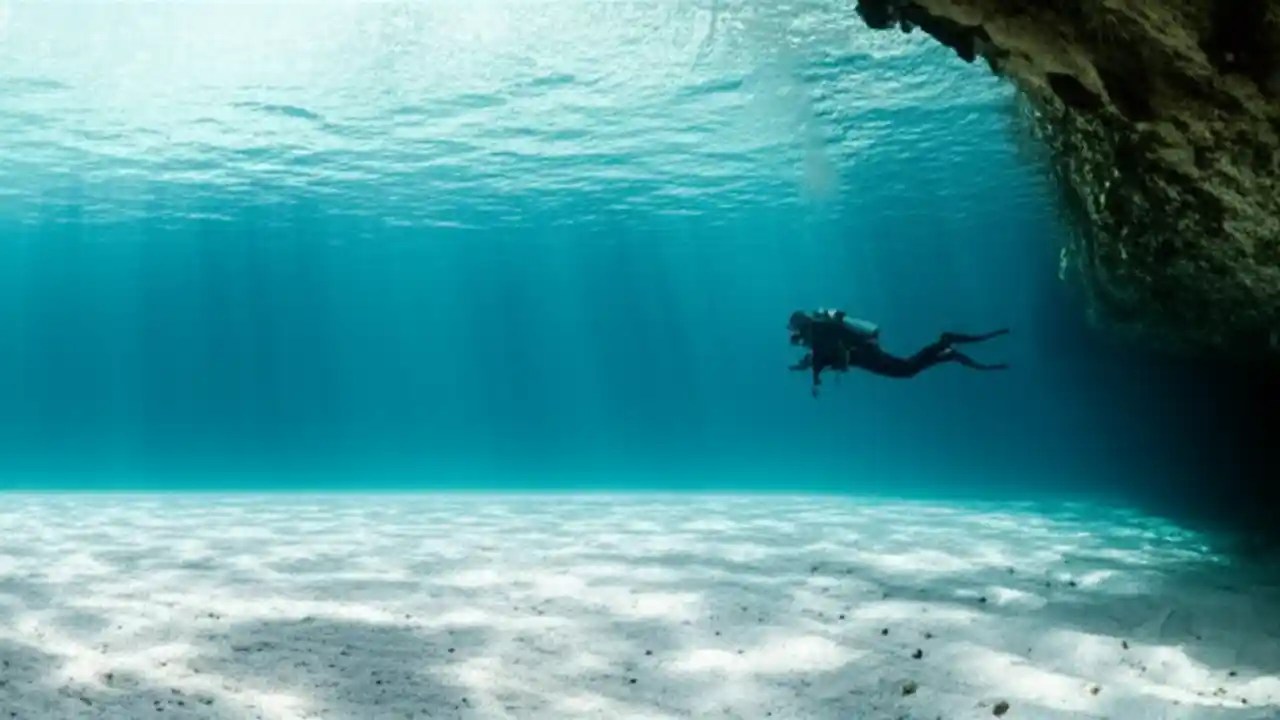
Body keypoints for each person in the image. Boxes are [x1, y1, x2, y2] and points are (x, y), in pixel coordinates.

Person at [788, 308, 1008, 395]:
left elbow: (819, 356)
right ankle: (945, 352)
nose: (800, 340)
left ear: (802, 326)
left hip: (867, 354)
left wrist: (815, 377)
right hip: (866, 353)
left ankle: (945, 345)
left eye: (798, 334)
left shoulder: (819, 332)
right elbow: (820, 358)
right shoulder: (818, 334)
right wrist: (809, 369)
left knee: (906, 369)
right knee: (907, 369)